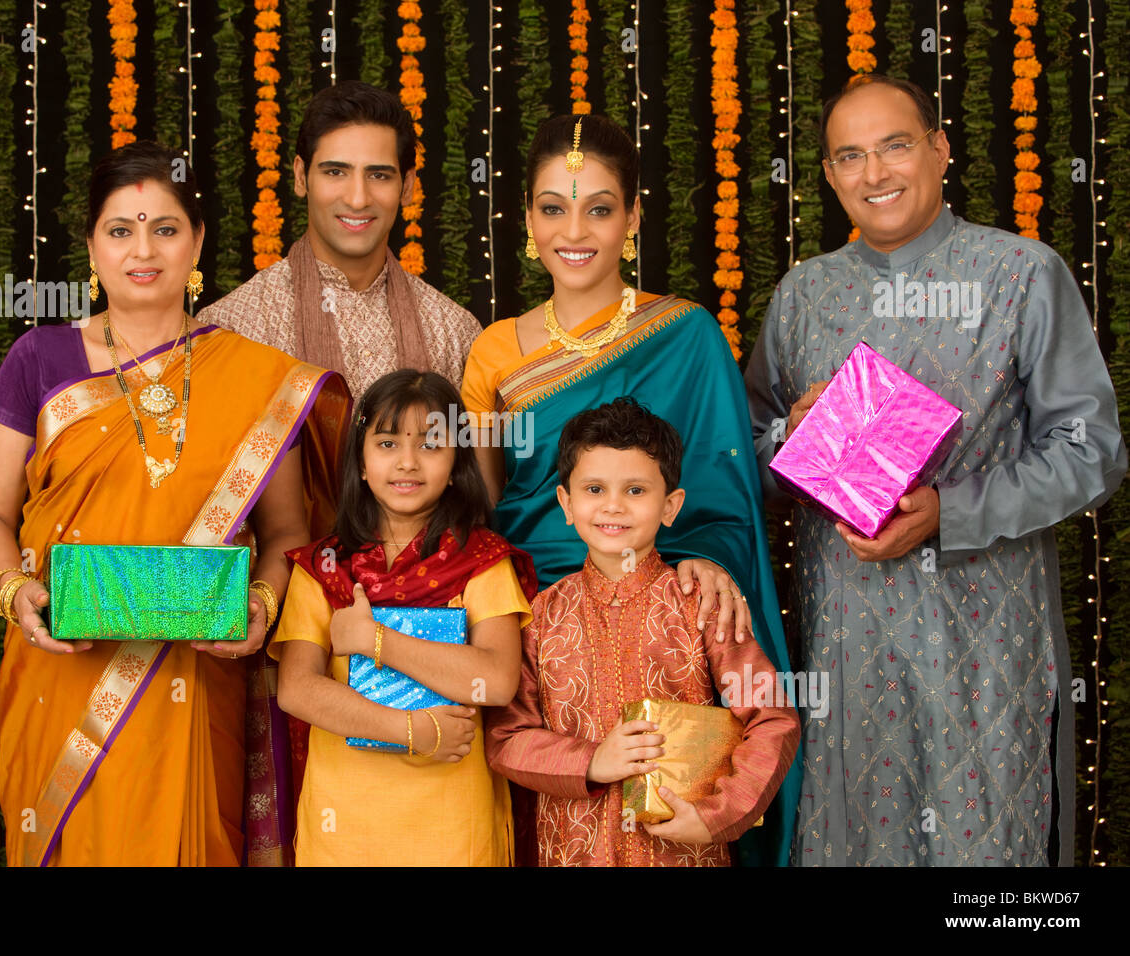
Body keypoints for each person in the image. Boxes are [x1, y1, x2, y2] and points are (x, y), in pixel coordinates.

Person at [744, 74, 1127, 866]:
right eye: (851, 155)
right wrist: (796, 434)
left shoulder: (1021, 274)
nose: (874, 173)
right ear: (828, 175)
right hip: (842, 642)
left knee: (984, 844)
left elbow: (1091, 449)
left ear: (940, 149)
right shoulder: (805, 297)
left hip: (984, 640)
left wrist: (950, 510)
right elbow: (749, 455)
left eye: (895, 146)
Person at [0, 141, 349, 866]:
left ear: (198, 240)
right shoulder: (37, 360)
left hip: (197, 681)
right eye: (121, 230)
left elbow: (288, 532)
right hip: (59, 667)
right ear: (91, 244)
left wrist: (261, 611)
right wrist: (17, 591)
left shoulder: (255, 378)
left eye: (165, 228)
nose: (143, 250)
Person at [461, 113, 801, 864]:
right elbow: (489, 514)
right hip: (532, 623)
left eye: (600, 207)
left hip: (669, 602)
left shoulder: (687, 335)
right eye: (553, 207)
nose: (573, 230)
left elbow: (724, 494)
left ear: (634, 216)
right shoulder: (490, 353)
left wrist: (704, 558)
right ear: (526, 219)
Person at [486, 398, 800, 866]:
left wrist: (718, 815)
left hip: (683, 852)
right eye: (594, 488)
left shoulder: (702, 603)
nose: (613, 505)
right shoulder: (541, 615)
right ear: (566, 503)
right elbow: (506, 736)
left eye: (635, 490)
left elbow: (771, 718)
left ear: (670, 506)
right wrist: (591, 761)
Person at [271, 370, 538, 865]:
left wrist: (376, 640)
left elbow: (496, 681)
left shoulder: (482, 561)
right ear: (361, 461)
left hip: (455, 829)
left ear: (458, 463)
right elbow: (296, 690)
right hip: (343, 826)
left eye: (431, 445)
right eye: (388, 442)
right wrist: (412, 731)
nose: (407, 462)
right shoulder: (324, 567)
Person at [197, 81, 481, 401]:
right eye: (335, 172)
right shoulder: (232, 329)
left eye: (379, 175)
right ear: (301, 177)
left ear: (407, 186)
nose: (358, 199)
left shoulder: (454, 334)